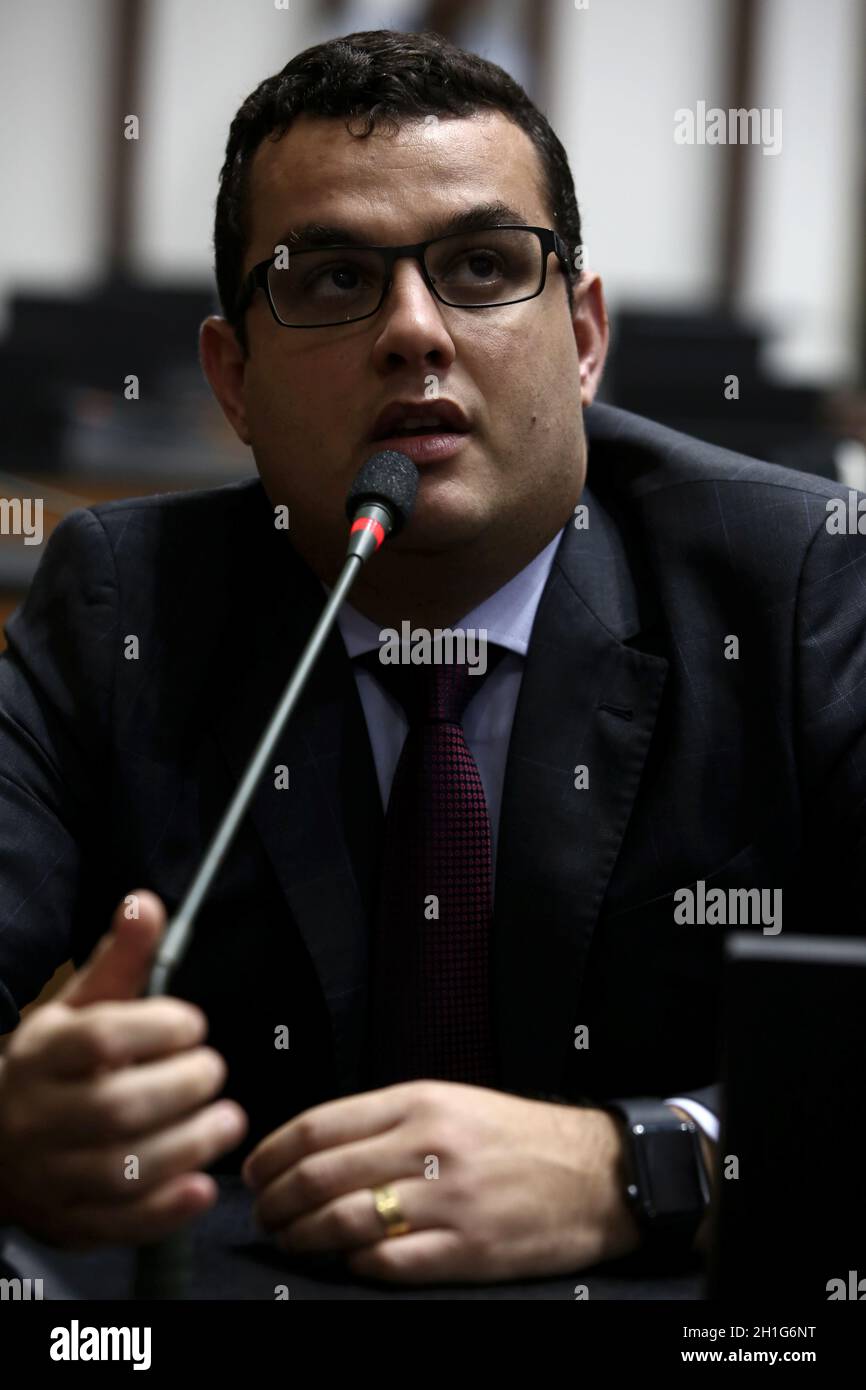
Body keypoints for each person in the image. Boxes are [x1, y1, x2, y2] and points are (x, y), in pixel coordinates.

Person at [0, 28, 864, 1288]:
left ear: (580, 337)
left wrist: (643, 1161)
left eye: (478, 265)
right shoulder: (120, 605)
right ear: (232, 380)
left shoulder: (795, 585)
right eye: (335, 281)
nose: (413, 331)